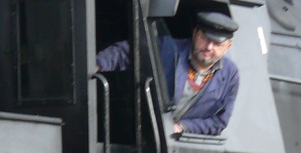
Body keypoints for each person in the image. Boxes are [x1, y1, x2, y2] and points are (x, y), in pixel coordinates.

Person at [95, 11, 240, 135]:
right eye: (205, 38)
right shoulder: (169, 49)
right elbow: (127, 51)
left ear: (228, 47)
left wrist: (183, 127)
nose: (209, 47)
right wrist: (97, 64)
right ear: (195, 34)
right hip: (143, 134)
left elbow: (219, 121)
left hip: (181, 145)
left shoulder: (230, 74)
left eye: (217, 44)